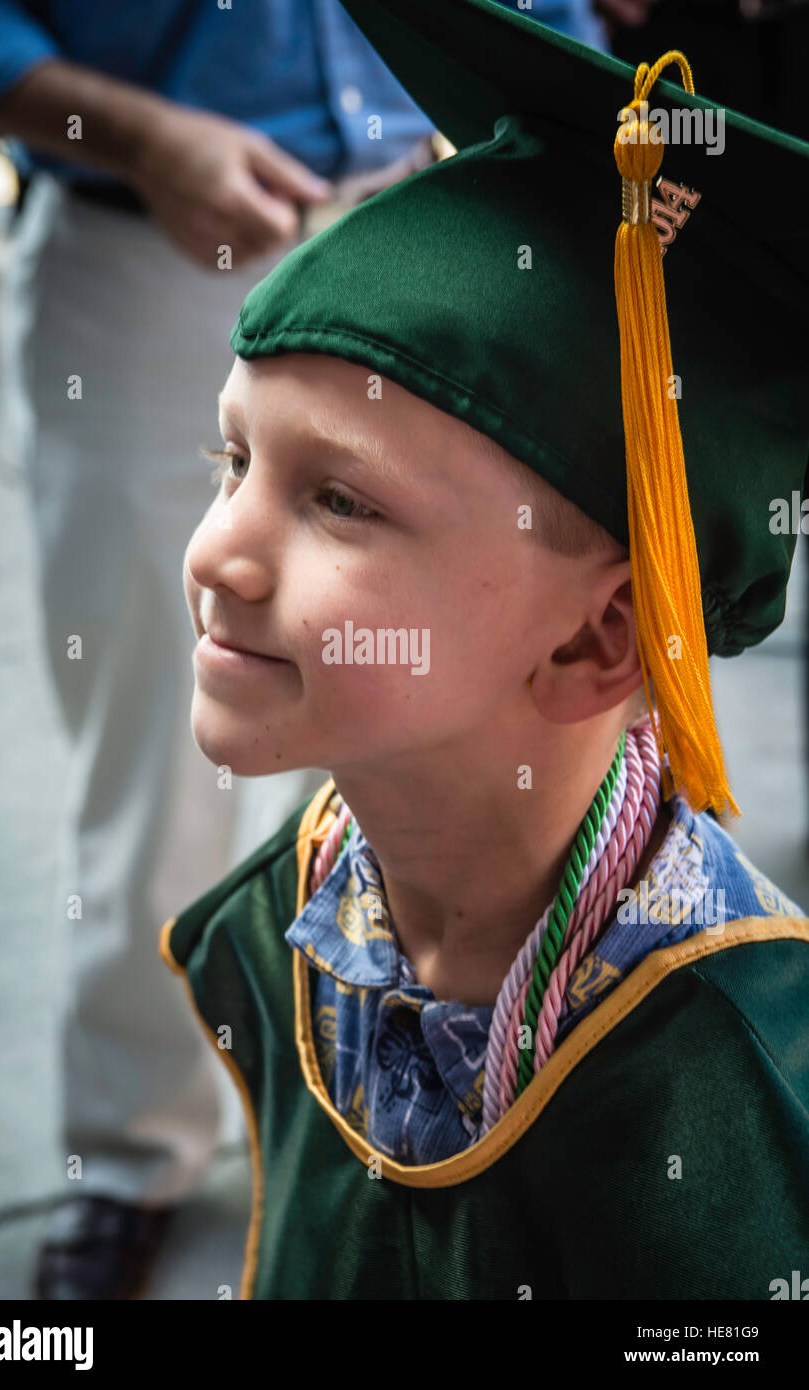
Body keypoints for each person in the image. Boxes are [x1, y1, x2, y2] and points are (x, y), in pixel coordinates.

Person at [161, 0, 809, 1299]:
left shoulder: (725, 1098)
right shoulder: (304, 896)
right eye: (232, 460)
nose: (217, 554)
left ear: (597, 637)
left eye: (340, 500)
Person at [0, 1, 447, 1299]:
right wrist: (133, 131)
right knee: (157, 755)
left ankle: (377, 1115)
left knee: (405, 733)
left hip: (412, 228)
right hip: (153, 246)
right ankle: (128, 1155)